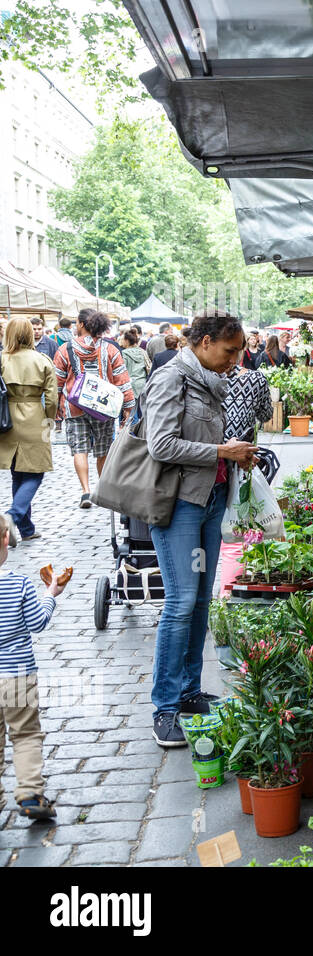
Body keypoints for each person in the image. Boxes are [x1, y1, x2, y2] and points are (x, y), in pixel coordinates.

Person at [143, 309, 258, 747]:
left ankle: (189, 691)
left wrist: (235, 455)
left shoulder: (211, 380)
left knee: (199, 603)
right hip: (178, 505)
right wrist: (222, 452)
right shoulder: (172, 378)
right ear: (204, 342)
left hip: (209, 500)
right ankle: (166, 707)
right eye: (230, 351)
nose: (234, 360)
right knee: (180, 601)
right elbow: (161, 444)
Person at [0, 514, 67, 820]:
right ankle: (29, 793)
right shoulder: (19, 584)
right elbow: (38, 622)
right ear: (5, 541)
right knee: (25, 735)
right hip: (18, 677)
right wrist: (50, 594)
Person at [52, 310, 136, 510]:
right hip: (104, 408)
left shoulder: (65, 350)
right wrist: (128, 407)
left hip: (74, 408)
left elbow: (56, 382)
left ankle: (85, 491)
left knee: (79, 450)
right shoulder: (110, 349)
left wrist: (56, 407)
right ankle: (103, 489)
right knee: (103, 450)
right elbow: (122, 380)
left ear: (81, 324)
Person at [0, 320, 57, 543]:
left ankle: (25, 528)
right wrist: (49, 421)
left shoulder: (2, 358)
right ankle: (13, 517)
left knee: (18, 472)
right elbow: (52, 398)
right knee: (35, 472)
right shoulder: (42, 360)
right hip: (35, 417)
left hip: (6, 419)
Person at [119, 328, 151, 401]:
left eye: (123, 340)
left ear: (127, 341)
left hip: (130, 385)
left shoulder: (124, 353)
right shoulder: (143, 352)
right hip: (143, 384)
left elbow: (122, 371)